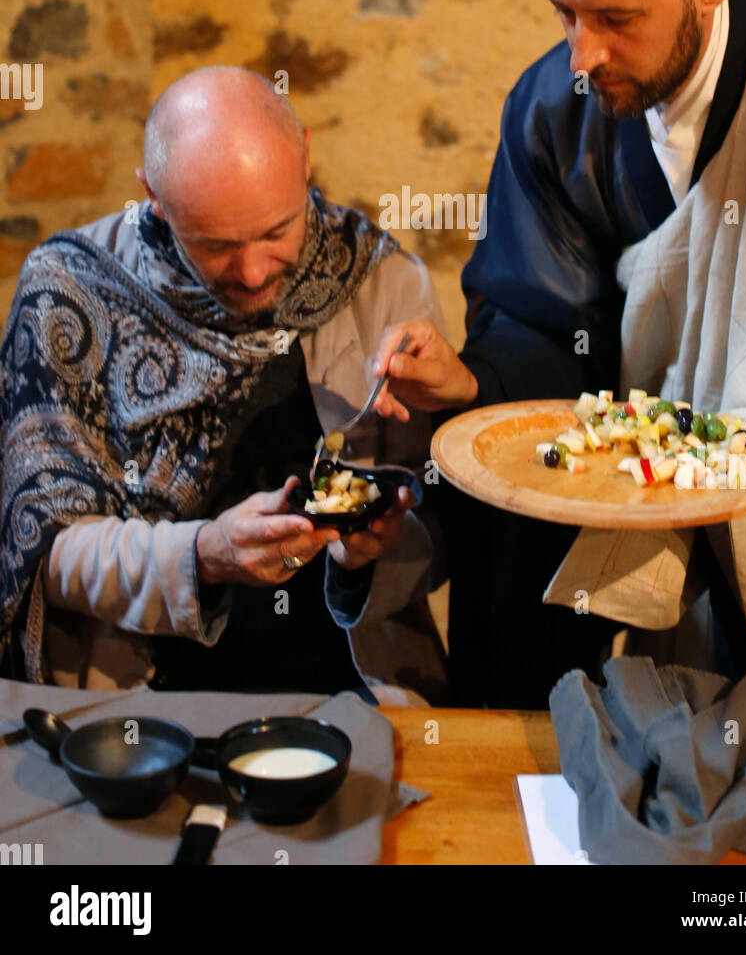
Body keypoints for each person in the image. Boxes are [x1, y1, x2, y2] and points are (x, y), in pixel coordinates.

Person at [372, 0, 746, 715]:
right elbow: (542, 325)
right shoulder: (551, 112)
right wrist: (471, 376)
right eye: (563, 11)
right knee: (502, 490)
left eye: (615, 19)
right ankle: (530, 778)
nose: (581, 55)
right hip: (622, 461)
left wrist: (742, 441)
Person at [0, 67, 447, 704]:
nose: (253, 270)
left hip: (353, 687)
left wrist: (364, 558)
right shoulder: (69, 294)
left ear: (305, 158)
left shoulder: (378, 279)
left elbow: (434, 538)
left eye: (276, 231)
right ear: (153, 195)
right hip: (142, 702)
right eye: (215, 245)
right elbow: (43, 550)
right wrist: (204, 555)